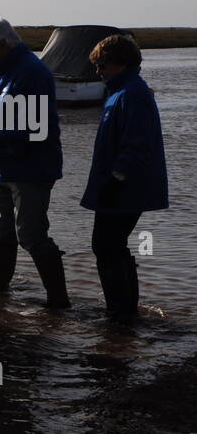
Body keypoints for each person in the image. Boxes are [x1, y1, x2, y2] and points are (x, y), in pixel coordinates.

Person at [0, 18, 69, 308]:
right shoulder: (0, 70)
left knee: (31, 235)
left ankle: (59, 302)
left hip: (31, 169)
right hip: (2, 168)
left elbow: (36, 128)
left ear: (3, 45)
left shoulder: (31, 73)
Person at [80, 34, 168, 321]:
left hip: (125, 189)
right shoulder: (122, 91)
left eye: (102, 65)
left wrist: (116, 180)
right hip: (120, 187)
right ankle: (123, 310)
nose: (99, 72)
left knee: (106, 245)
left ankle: (121, 312)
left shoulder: (132, 94)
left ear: (120, 63)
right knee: (110, 245)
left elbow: (137, 146)